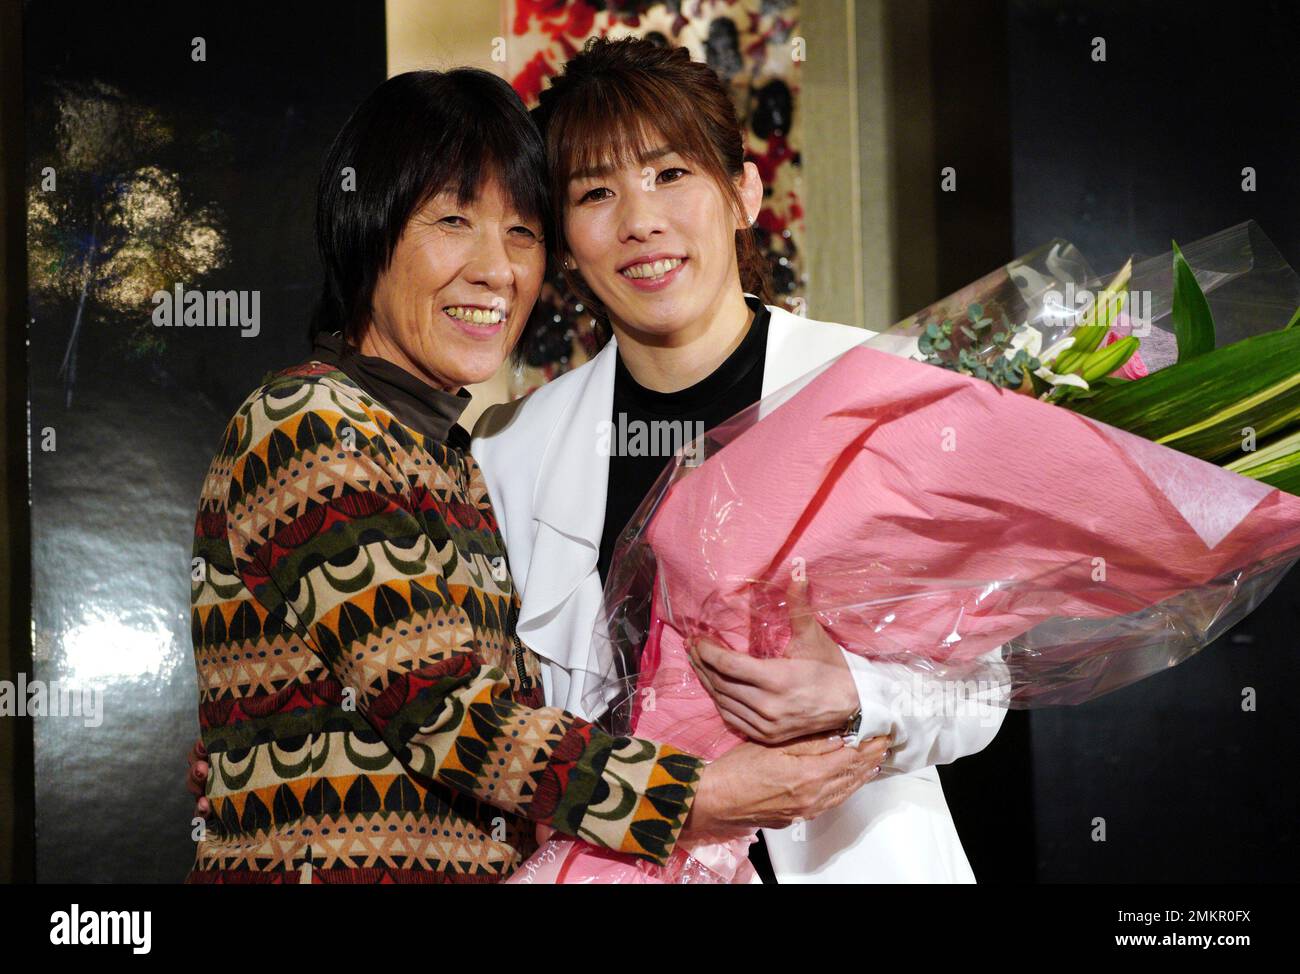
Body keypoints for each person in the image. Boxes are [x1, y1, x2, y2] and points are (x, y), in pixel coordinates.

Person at [184, 66, 886, 883]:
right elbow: (446, 712)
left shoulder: (459, 456)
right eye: (453, 220)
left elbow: (517, 716)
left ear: (743, 195)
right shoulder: (310, 422)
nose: (497, 270)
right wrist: (697, 797)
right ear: (366, 227)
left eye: (521, 233)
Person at [470, 37, 1006, 883]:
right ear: (565, 240)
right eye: (596, 191)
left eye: (670, 174)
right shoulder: (512, 449)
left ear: (743, 191)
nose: (640, 219)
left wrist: (858, 696)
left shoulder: (874, 386)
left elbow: (985, 692)